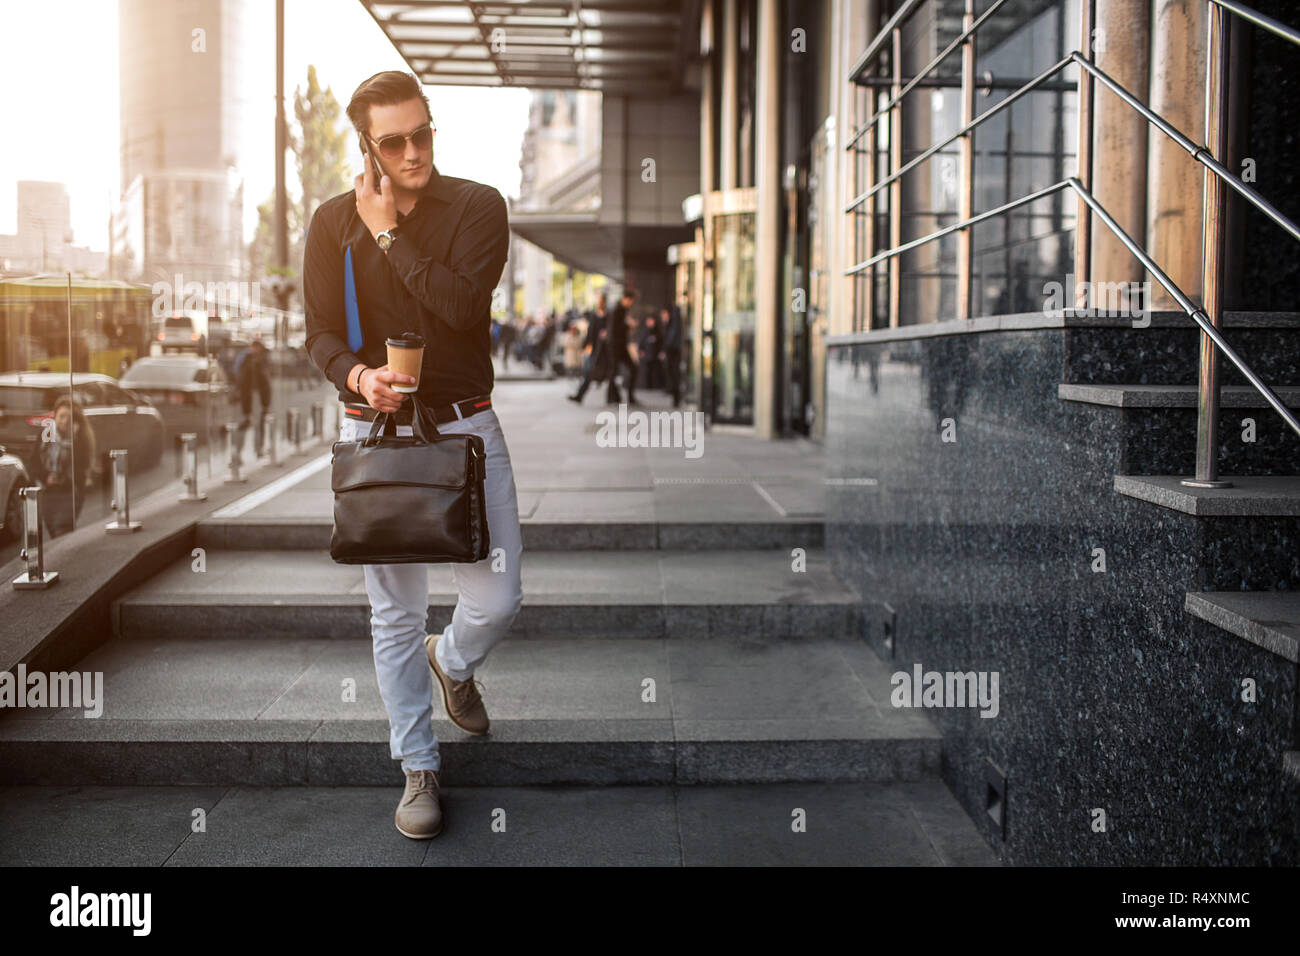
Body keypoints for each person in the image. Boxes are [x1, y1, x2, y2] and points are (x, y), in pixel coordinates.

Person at [303, 69, 521, 841]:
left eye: (421, 133)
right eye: (392, 141)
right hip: (377, 432)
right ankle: (418, 766)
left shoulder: (477, 205)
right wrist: (359, 375)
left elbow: (461, 306)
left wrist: (388, 229)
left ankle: (453, 663)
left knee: (498, 597)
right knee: (393, 612)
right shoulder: (333, 223)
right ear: (367, 144)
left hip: (466, 426)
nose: (411, 151)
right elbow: (320, 332)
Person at [39, 397, 97, 538]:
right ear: (55, 416)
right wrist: (46, 477)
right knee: (54, 531)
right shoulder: (47, 435)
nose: (65, 421)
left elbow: (83, 464)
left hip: (69, 493)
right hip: (49, 492)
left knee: (62, 531)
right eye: (61, 416)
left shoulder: (81, 438)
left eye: (69, 418)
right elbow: (35, 460)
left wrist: (75, 438)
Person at [567, 296, 609, 403]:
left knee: (610, 374)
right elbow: (590, 334)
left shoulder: (609, 317)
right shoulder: (595, 317)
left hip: (607, 351)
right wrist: (584, 347)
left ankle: (614, 397)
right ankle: (579, 396)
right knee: (589, 373)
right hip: (596, 351)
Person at [236, 338, 273, 458]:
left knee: (259, 424)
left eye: (256, 347)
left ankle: (259, 449)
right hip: (250, 395)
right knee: (251, 424)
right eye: (253, 347)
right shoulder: (248, 360)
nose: (254, 350)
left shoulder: (262, 362)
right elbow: (242, 379)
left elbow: (266, 384)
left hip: (258, 396)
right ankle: (246, 451)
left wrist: (266, 403)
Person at [605, 289, 639, 405]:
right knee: (614, 371)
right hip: (615, 346)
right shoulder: (617, 310)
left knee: (627, 369)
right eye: (631, 301)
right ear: (626, 299)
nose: (631, 304)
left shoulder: (622, 310)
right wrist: (628, 325)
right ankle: (613, 397)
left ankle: (624, 397)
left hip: (620, 346)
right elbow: (615, 329)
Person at [660, 303, 683, 407]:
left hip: (673, 350)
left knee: (673, 372)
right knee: (672, 372)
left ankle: (676, 396)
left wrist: (665, 349)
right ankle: (674, 394)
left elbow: (670, 338)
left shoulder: (673, 324)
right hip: (673, 349)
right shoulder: (672, 323)